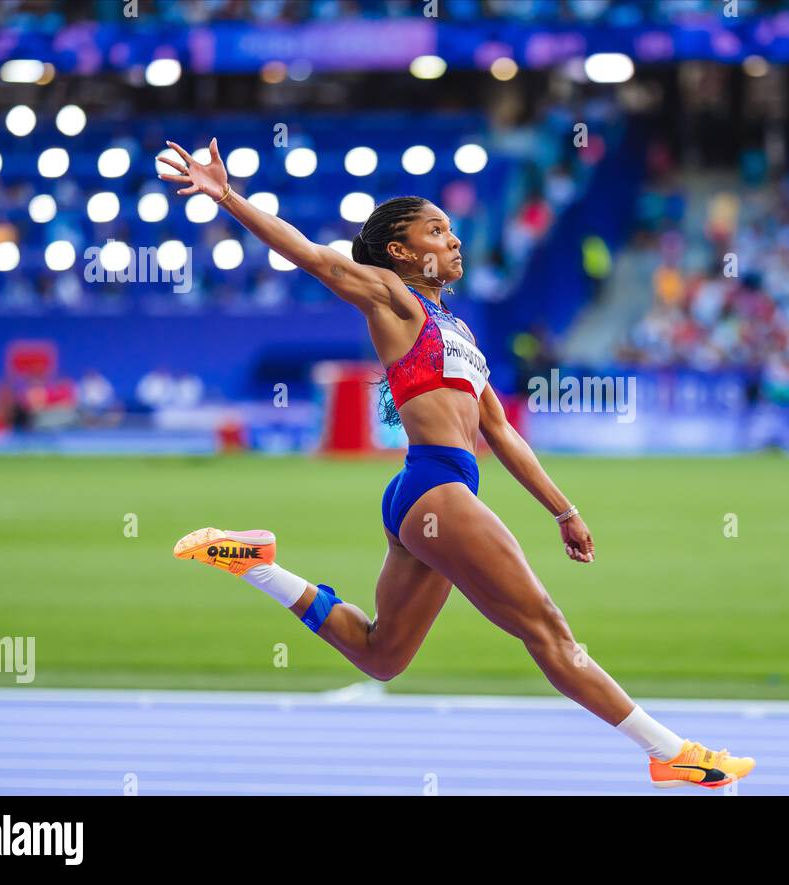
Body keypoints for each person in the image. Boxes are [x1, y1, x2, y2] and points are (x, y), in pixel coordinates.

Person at [159, 138, 755, 788]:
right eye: (436, 231)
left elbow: (501, 432)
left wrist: (563, 509)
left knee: (382, 654)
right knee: (546, 627)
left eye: (451, 229)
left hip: (425, 497)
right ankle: (671, 751)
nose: (454, 241)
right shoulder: (394, 297)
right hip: (435, 487)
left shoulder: (460, 332)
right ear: (400, 251)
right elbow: (313, 257)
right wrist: (228, 197)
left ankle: (262, 565)